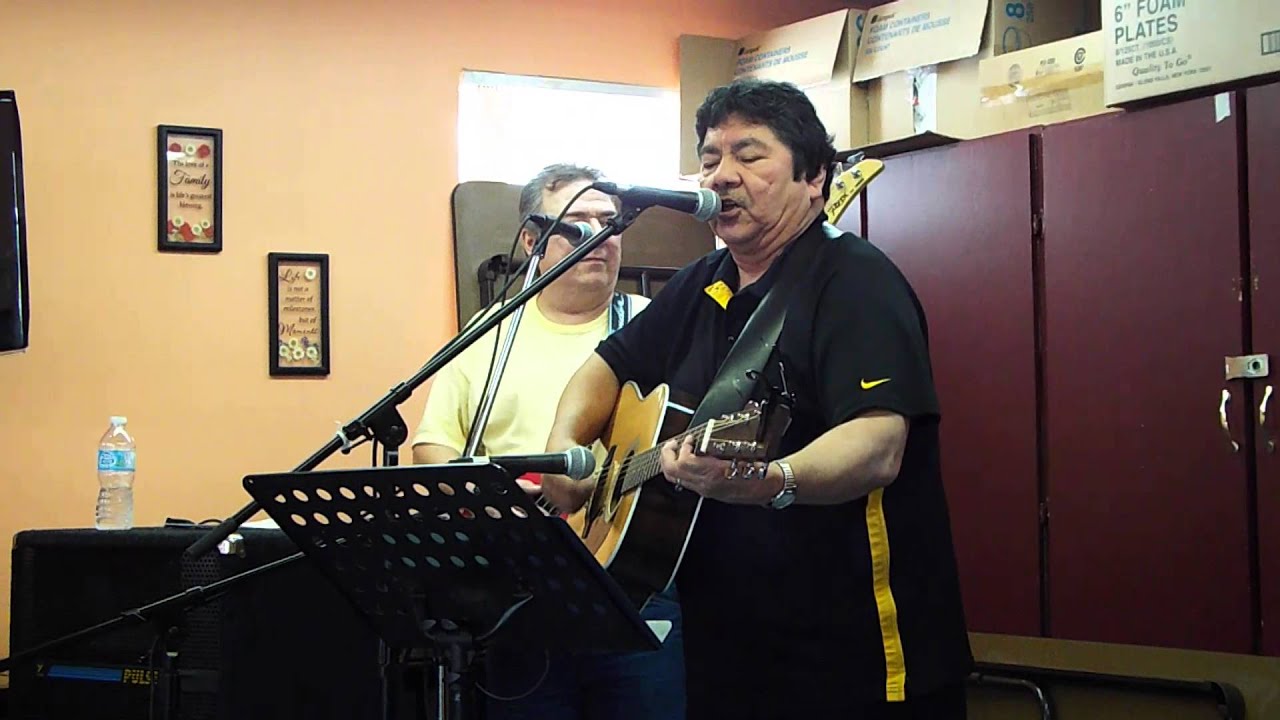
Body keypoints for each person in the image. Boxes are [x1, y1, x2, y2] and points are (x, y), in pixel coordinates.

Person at [538, 80, 974, 719]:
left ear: (815, 177)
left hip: (855, 660)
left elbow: (879, 444)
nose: (724, 176)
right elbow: (604, 367)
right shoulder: (701, 284)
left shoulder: (856, 283)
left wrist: (772, 480)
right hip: (727, 655)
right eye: (711, 159)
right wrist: (567, 450)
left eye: (750, 155)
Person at [411, 163, 686, 720]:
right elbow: (432, 448)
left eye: (610, 224)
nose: (598, 239)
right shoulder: (490, 334)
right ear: (533, 240)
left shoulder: (655, 328)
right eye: (576, 223)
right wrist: (502, 507)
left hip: (636, 585)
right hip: (522, 591)